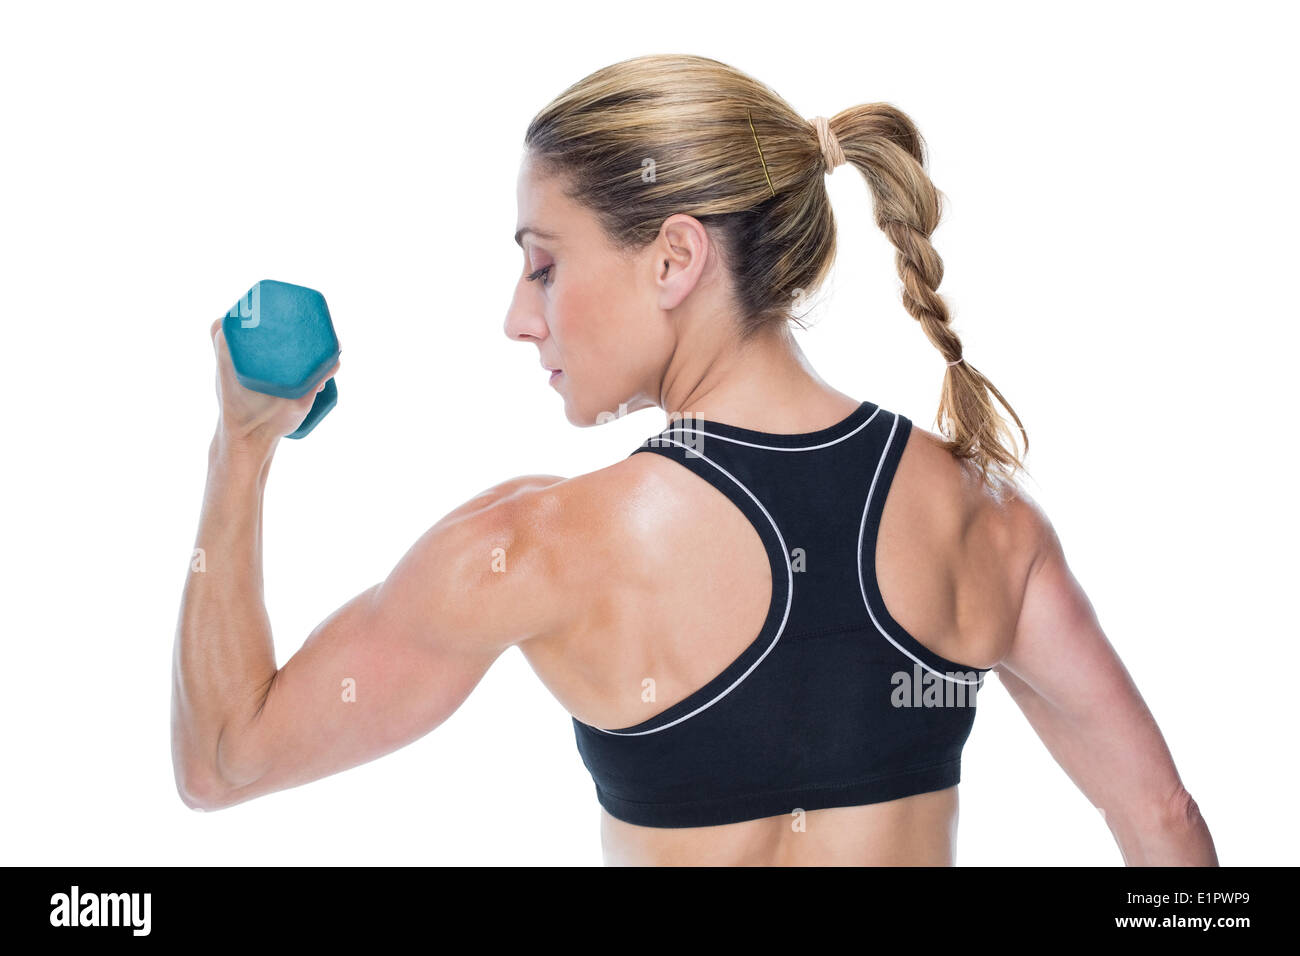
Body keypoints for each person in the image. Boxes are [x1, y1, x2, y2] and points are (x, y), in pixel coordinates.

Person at [172, 53, 1217, 866]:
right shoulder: (983, 515)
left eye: (543, 264)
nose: (516, 319)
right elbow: (1161, 817)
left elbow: (224, 759)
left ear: (673, 258)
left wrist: (243, 443)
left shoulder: (536, 544)